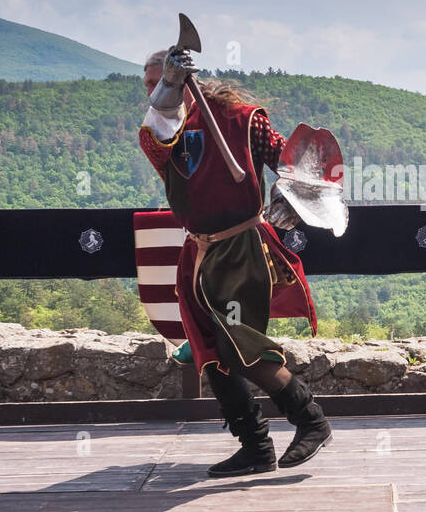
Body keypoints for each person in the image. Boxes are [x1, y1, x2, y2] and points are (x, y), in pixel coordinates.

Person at [137, 47, 332, 477]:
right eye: (150, 83)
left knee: (237, 346)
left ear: (192, 80)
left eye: (160, 81)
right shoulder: (158, 132)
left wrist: (291, 194)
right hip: (197, 254)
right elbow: (160, 132)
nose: (153, 91)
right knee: (211, 352)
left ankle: (310, 420)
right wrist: (171, 87)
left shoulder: (242, 121)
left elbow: (297, 163)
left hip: (242, 250)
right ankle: (255, 447)